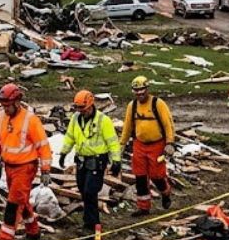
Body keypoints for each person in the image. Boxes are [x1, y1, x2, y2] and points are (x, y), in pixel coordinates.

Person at [0, 83, 52, 240]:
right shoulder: (1, 117)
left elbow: (43, 146)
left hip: (26, 167)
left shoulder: (30, 120)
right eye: (3, 105)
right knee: (22, 201)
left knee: (13, 204)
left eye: (8, 106)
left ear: (17, 102)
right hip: (9, 166)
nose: (5, 109)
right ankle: (33, 231)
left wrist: (45, 170)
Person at [58, 90, 121, 230]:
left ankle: (92, 224)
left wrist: (116, 161)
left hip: (97, 161)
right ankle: (89, 221)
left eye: (83, 109)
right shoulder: (75, 118)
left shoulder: (103, 120)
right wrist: (63, 153)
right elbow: (70, 137)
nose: (81, 111)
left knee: (90, 191)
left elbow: (112, 141)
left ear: (91, 105)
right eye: (78, 108)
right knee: (83, 190)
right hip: (81, 161)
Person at [120, 76, 175, 217]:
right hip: (139, 145)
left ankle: (166, 193)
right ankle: (143, 208)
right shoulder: (132, 106)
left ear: (147, 89)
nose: (139, 93)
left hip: (157, 145)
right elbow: (127, 126)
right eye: (136, 90)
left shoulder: (158, 104)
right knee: (140, 177)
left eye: (141, 89)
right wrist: (122, 144)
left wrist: (169, 143)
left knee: (157, 176)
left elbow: (168, 124)